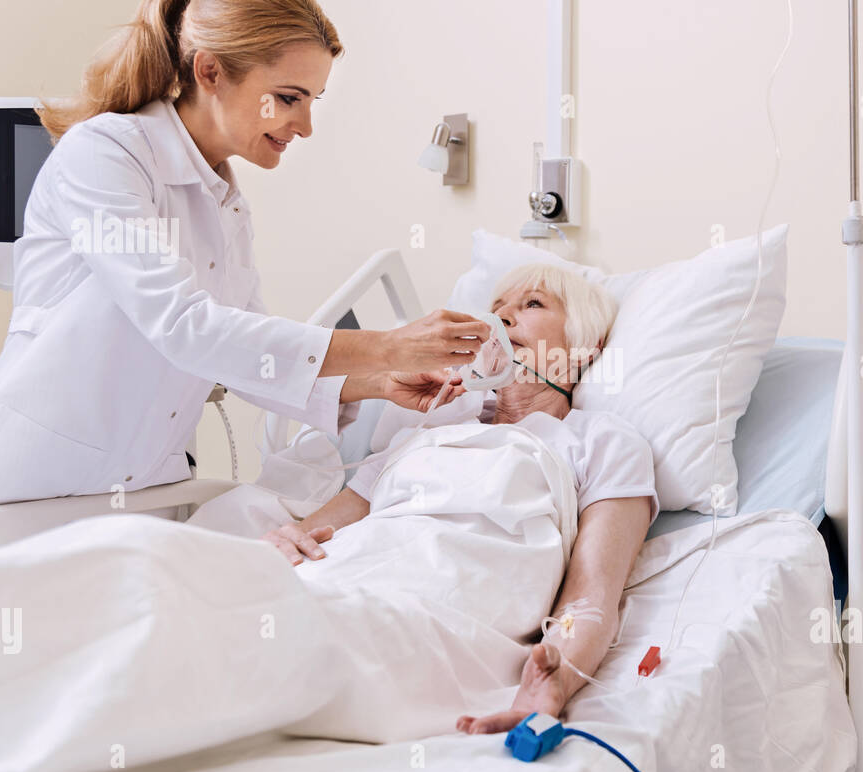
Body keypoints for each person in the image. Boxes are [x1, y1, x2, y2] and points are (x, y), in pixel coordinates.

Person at [0, 0, 484, 514]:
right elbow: (184, 325)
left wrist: (376, 382)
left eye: (313, 100)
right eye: (289, 98)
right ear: (210, 71)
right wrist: (389, 344)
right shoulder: (106, 154)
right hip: (27, 487)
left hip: (134, 493)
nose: (306, 125)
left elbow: (246, 358)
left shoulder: (224, 201)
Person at [263, 263, 659, 736]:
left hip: (443, 605)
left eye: (532, 304)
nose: (504, 318)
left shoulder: (603, 441)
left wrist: (552, 680)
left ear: (582, 351)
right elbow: (314, 530)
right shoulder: (431, 426)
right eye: (496, 310)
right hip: (345, 572)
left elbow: (591, 598)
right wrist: (277, 546)